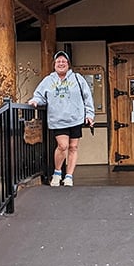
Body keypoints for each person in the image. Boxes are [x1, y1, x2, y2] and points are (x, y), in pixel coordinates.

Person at [29, 50, 95, 187]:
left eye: (63, 61)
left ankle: (69, 176)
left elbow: (87, 97)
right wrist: (35, 101)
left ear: (68, 64)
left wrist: (89, 114)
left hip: (75, 118)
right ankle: (58, 172)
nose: (61, 63)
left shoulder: (77, 78)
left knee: (73, 147)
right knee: (62, 146)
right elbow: (40, 95)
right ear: (54, 64)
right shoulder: (48, 80)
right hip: (58, 119)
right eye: (58, 61)